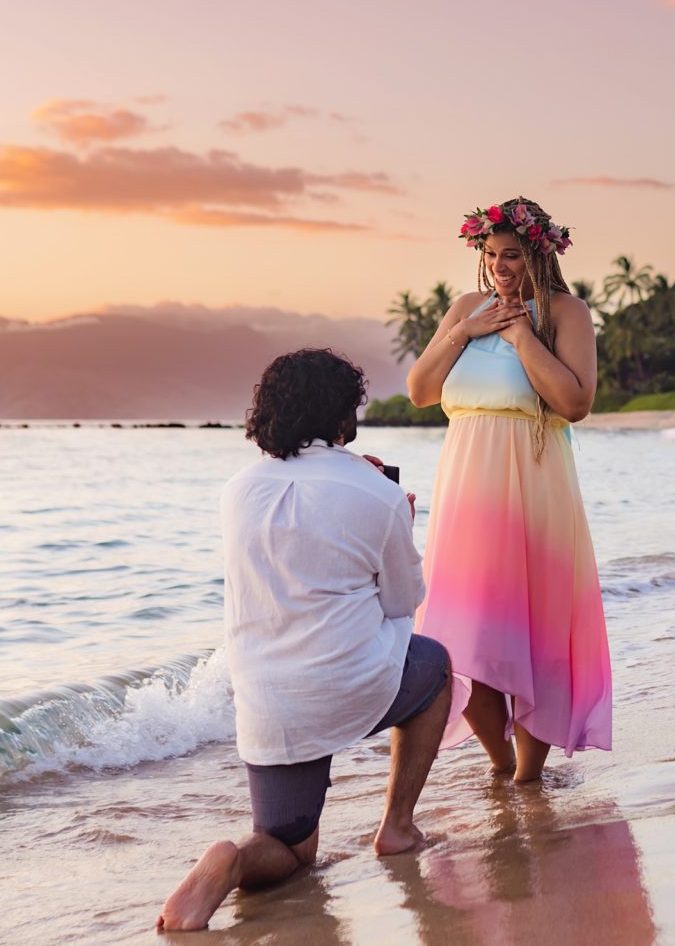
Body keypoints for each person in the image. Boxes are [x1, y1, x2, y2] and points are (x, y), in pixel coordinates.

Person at [156, 348, 452, 932]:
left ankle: (234, 862)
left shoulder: (239, 491)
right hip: (349, 683)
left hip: (270, 700)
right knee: (436, 666)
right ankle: (396, 826)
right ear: (344, 416)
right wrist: (402, 523)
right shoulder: (379, 494)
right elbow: (402, 602)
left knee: (290, 850)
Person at [406, 197, 612, 783]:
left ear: (538, 253)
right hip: (466, 493)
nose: (500, 266)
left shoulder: (567, 314)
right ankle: (502, 765)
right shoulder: (467, 309)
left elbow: (575, 404)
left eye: (513, 255)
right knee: (458, 640)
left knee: (531, 634)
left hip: (535, 490)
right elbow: (421, 390)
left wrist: (522, 336)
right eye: (491, 255)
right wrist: (466, 332)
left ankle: (528, 776)